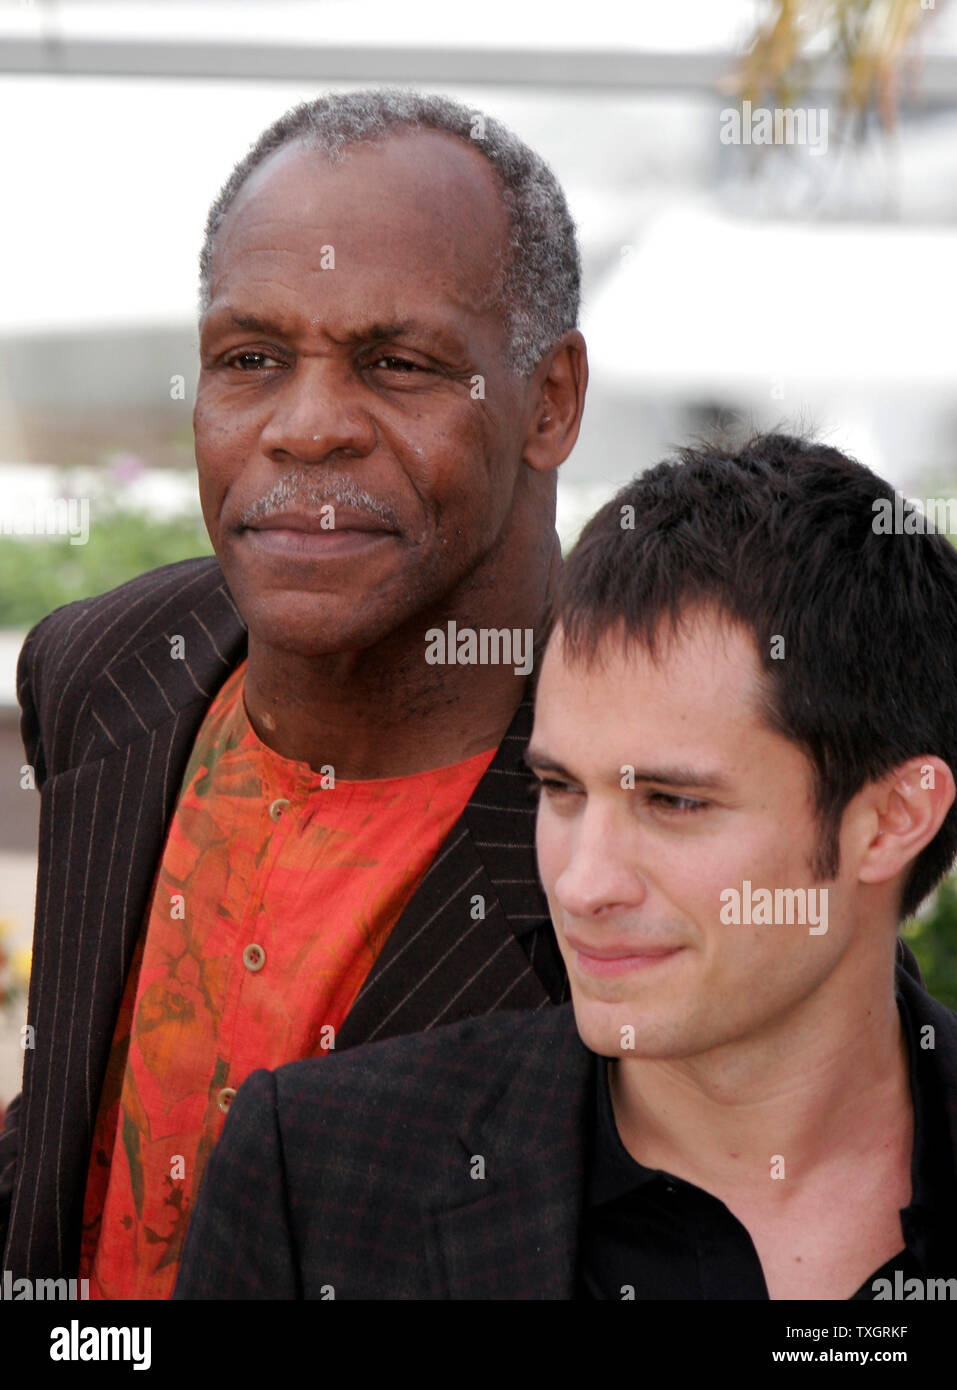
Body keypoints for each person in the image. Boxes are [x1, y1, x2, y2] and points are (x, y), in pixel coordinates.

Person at [1, 88, 588, 1296]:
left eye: (399, 363)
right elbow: (70, 1146)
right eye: (251, 359)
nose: (306, 428)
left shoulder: (653, 817)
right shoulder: (104, 672)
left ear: (551, 401)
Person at [175, 432, 957, 1300]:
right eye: (560, 788)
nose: (582, 885)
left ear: (892, 820)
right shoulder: (322, 1180)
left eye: (673, 803)